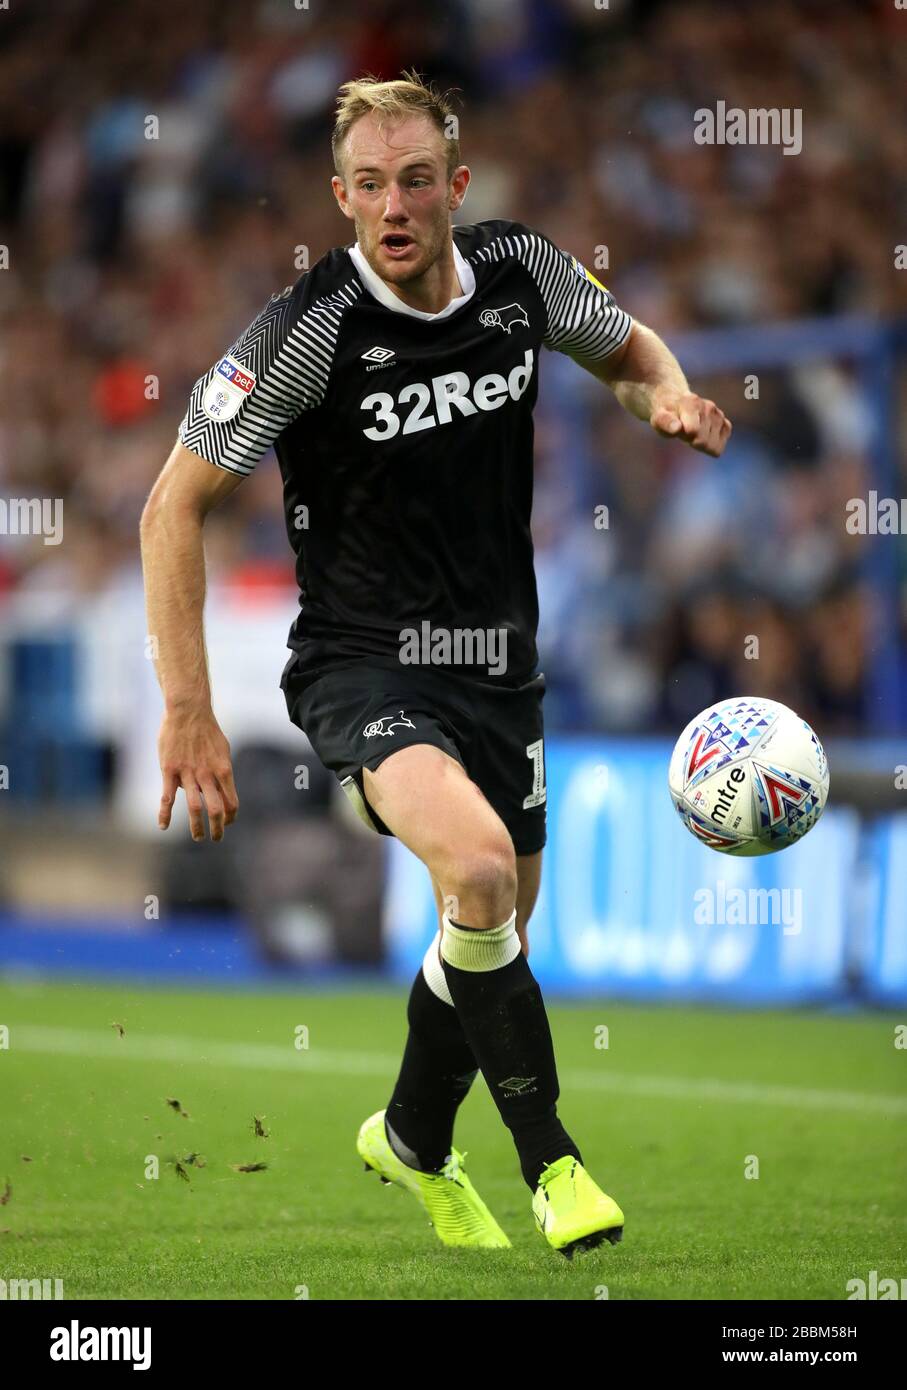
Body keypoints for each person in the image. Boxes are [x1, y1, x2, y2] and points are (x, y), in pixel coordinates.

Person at [140, 71, 732, 1258]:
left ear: (456, 187)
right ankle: (553, 1166)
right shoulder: (308, 332)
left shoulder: (522, 273)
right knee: (475, 871)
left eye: (416, 179)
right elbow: (172, 505)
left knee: (490, 923)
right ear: (342, 197)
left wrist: (660, 397)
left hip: (499, 668)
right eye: (369, 185)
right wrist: (189, 709)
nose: (394, 204)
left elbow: (627, 349)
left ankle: (411, 1135)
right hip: (363, 665)